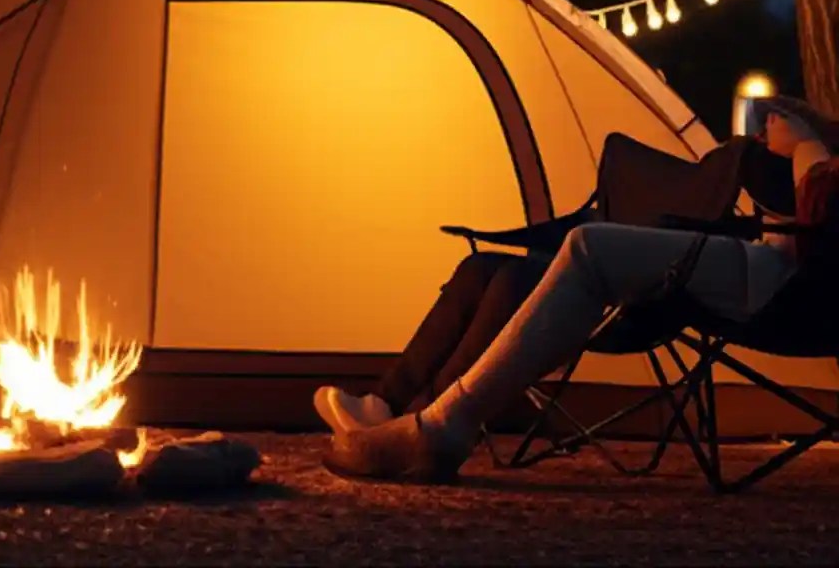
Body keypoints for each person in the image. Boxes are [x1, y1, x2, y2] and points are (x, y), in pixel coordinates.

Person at [323, 95, 834, 483]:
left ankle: (439, 427)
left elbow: (821, 221)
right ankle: (412, 416)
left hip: (788, 288)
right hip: (764, 273)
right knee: (553, 252)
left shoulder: (812, 158)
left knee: (586, 245)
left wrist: (805, 144)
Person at [313, 251, 550, 433]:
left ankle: (428, 420)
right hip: (564, 253)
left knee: (514, 281)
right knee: (476, 268)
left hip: (582, 278)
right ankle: (385, 404)